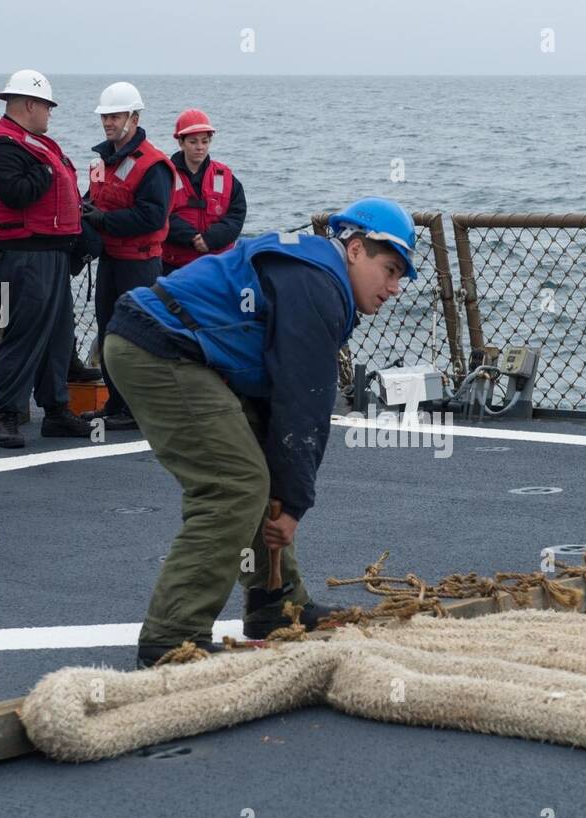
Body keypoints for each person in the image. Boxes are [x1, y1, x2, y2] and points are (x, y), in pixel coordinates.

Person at [101, 197, 417, 666]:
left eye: (400, 277)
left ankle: (276, 603)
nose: (394, 287)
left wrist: (286, 491)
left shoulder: (314, 272)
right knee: (235, 484)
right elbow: (303, 403)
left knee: (256, 471)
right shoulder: (318, 286)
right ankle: (172, 635)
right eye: (389, 269)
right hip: (159, 347)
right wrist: (292, 505)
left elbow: (279, 402)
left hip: (181, 347)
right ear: (354, 250)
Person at [0, 69, 93, 449]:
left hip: (51, 252)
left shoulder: (34, 142)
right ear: (30, 105)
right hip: (24, 255)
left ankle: (55, 410)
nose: (50, 115)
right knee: (23, 335)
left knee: (59, 335)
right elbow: (16, 194)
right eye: (47, 107)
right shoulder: (0, 144)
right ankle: (6, 412)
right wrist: (45, 170)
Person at [78, 81, 172, 431]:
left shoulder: (154, 165)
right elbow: (94, 197)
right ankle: (117, 404)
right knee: (109, 332)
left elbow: (153, 216)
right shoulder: (101, 160)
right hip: (112, 261)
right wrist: (86, 211)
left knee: (135, 336)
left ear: (134, 117)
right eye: (105, 116)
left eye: (114, 116)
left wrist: (104, 220)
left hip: (140, 263)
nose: (108, 123)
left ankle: (136, 408)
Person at [161, 108, 246, 276]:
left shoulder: (226, 176)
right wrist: (192, 238)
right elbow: (159, 213)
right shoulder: (164, 176)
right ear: (181, 142)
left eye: (205, 141)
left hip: (219, 266)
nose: (200, 147)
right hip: (174, 267)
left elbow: (236, 215)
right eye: (193, 142)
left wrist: (211, 238)